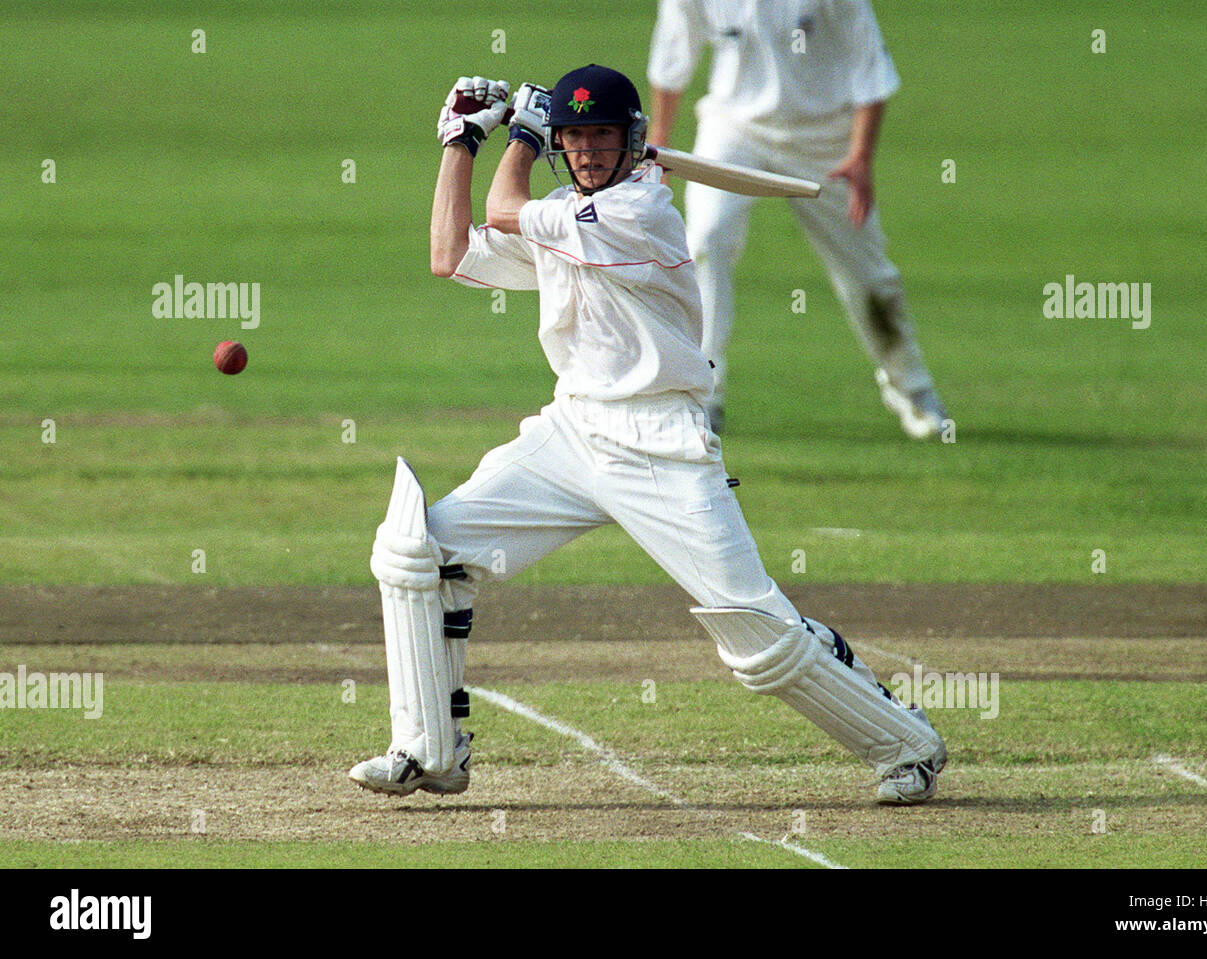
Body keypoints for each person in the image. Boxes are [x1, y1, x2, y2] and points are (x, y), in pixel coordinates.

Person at [346, 66, 947, 805]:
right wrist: (461, 140)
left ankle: (906, 743)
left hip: (662, 443)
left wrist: (525, 139)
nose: (589, 151)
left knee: (755, 636)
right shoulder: (566, 213)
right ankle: (429, 749)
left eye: (602, 135)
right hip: (572, 432)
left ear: (632, 141)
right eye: (575, 136)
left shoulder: (641, 214)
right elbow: (451, 254)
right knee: (419, 551)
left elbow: (507, 209)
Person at [647, 0, 949, 438]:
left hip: (826, 139)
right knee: (706, 240)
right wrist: (659, 146)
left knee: (869, 278)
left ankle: (914, 390)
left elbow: (869, 64)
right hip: (735, 128)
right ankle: (702, 395)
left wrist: (861, 156)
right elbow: (673, 56)